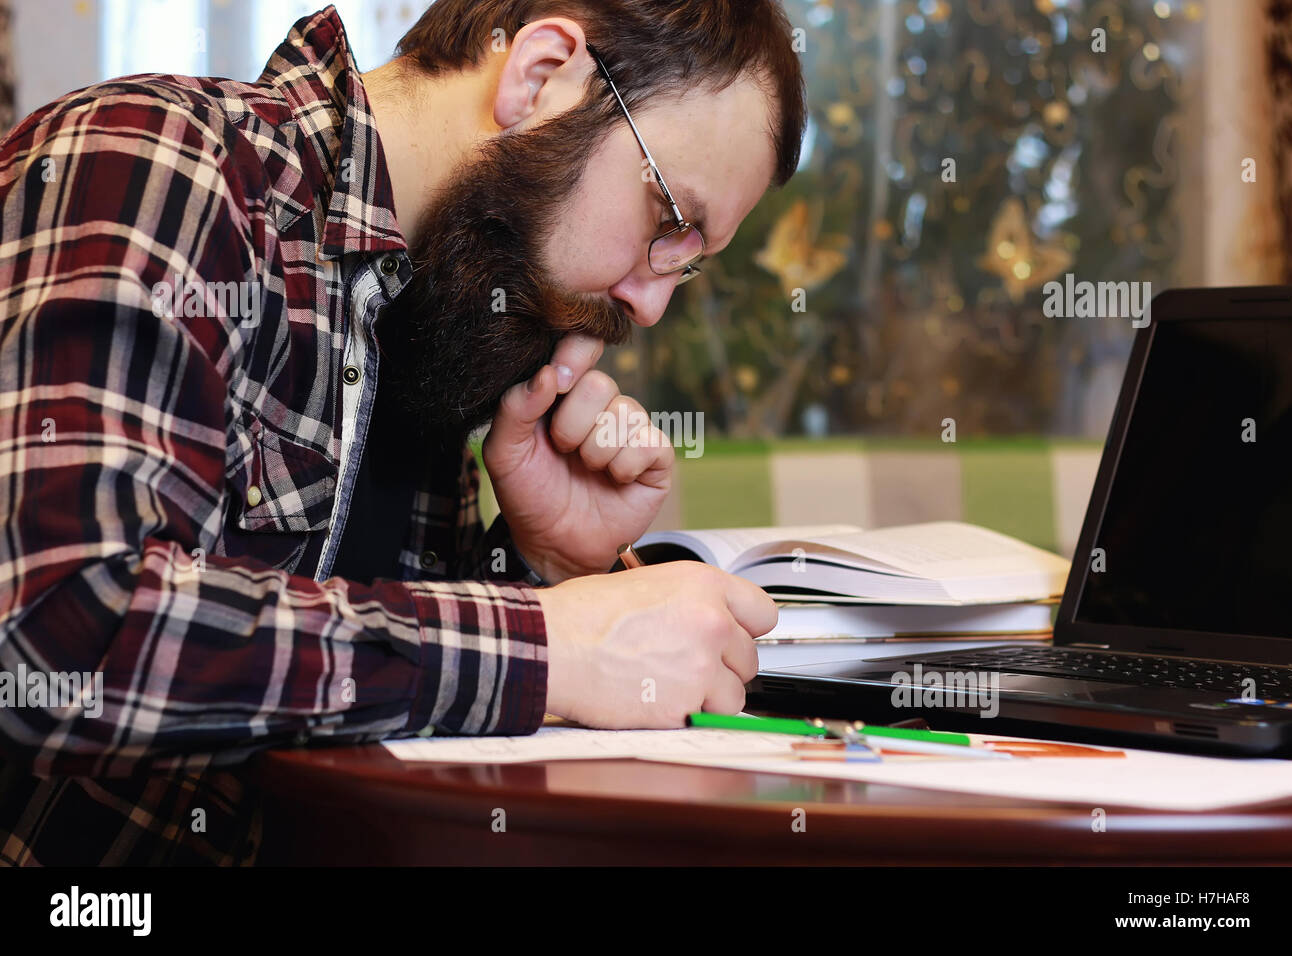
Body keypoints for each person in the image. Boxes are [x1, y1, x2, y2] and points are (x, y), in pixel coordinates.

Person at [0, 1, 805, 864]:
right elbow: (61, 629)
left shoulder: (439, 304)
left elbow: (384, 691)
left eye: (687, 264)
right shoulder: (156, 160)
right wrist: (552, 645)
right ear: (543, 75)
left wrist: (541, 567)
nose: (649, 306)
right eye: (668, 222)